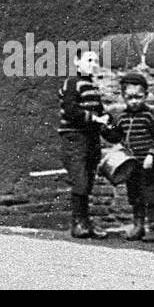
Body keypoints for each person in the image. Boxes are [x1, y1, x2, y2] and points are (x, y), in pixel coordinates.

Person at [104, 71, 154, 242]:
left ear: (145, 95)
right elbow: (115, 136)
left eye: (138, 97)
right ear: (123, 96)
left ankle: (152, 228)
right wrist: (106, 129)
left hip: (149, 164)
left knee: (150, 196)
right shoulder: (122, 117)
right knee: (135, 196)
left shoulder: (150, 115)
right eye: (129, 97)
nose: (134, 101)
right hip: (131, 164)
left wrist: (151, 155)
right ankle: (138, 226)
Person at [58, 48, 109, 239]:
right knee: (79, 180)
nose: (93, 65)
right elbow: (71, 111)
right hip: (74, 138)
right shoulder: (71, 83)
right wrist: (96, 120)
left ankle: (86, 222)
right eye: (88, 60)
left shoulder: (92, 87)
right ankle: (78, 223)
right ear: (77, 62)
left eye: (95, 61)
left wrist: (108, 124)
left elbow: (101, 113)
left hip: (91, 139)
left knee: (87, 180)